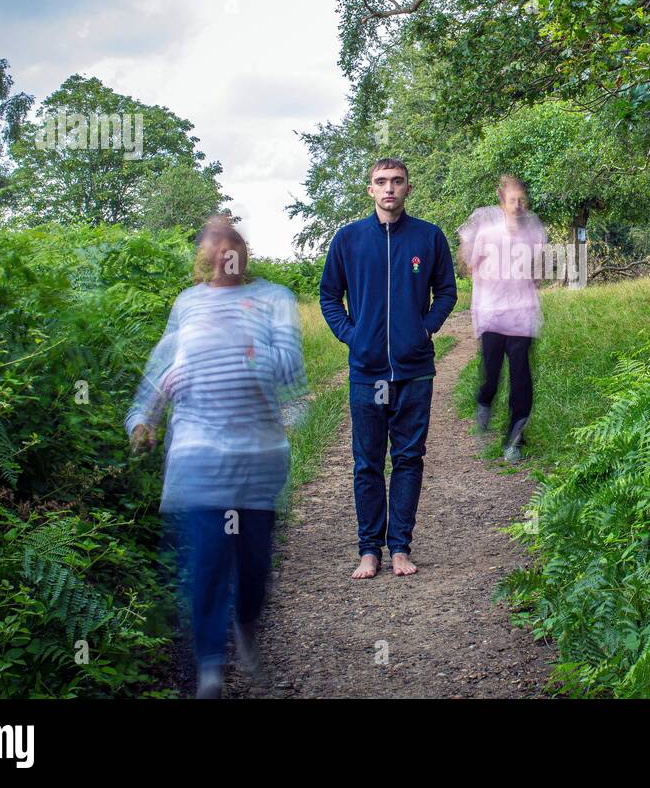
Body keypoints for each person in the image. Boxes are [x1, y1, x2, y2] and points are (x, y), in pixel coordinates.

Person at [127, 215, 306, 698]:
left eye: (232, 240)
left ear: (245, 252)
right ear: (202, 253)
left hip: (257, 461)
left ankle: (246, 626)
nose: (223, 249)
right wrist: (143, 420)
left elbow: (291, 371)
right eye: (213, 240)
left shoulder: (275, 300)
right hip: (198, 460)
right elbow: (162, 370)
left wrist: (245, 351)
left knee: (252, 570)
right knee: (206, 565)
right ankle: (209, 667)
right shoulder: (187, 305)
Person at [318, 157, 457, 580]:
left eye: (397, 181)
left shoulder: (429, 238)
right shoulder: (348, 240)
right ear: (370, 190)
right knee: (368, 462)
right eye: (381, 182)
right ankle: (368, 550)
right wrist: (353, 335)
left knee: (409, 458)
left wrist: (424, 329)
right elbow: (329, 297)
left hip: (414, 372)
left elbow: (446, 292)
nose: (390, 189)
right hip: (369, 372)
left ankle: (400, 547)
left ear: (408, 188)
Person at [457, 174, 548, 462]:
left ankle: (514, 438)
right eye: (513, 200)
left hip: (522, 314)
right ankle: (484, 401)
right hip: (492, 313)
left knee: (521, 375)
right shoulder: (485, 231)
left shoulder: (534, 229)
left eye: (522, 199)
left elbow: (538, 267)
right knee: (492, 375)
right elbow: (467, 264)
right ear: (502, 200)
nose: (519, 204)